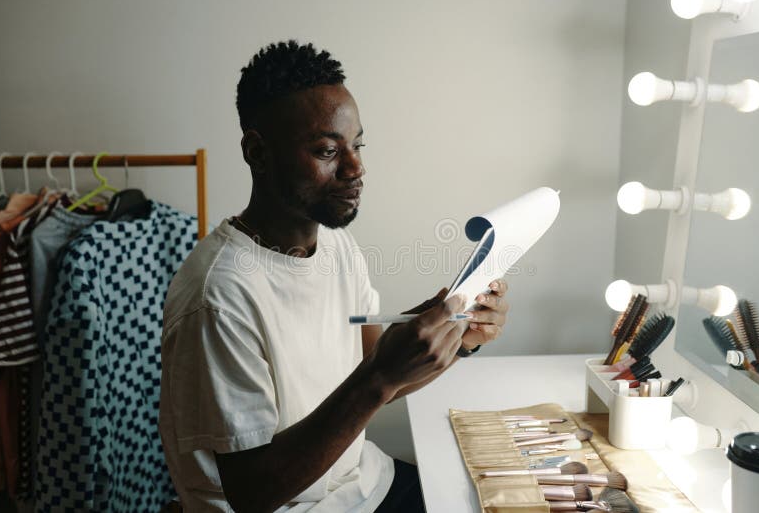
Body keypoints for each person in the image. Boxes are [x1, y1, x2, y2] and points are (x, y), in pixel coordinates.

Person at [158, 40, 510, 513]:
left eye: (357, 144)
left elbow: (375, 373)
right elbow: (251, 493)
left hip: (362, 486)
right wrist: (381, 375)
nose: (356, 167)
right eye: (328, 150)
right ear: (258, 152)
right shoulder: (218, 297)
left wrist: (458, 335)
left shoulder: (336, 245)